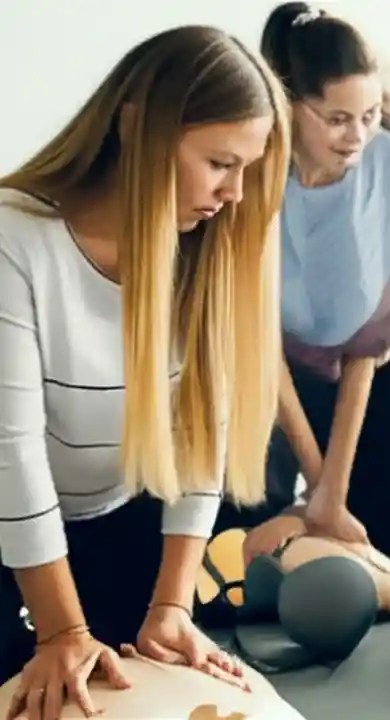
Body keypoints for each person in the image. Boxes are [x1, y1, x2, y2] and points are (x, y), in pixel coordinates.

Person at [0, 25, 290, 719]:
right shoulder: (15, 241)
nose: (237, 193)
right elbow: (12, 452)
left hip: (114, 519)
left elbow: (201, 440)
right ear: (138, 128)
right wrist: (63, 630)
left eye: (248, 167)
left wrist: (169, 606)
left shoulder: (205, 248)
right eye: (221, 162)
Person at [224, 3, 390, 614]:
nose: (357, 135)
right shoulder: (247, 175)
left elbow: (369, 343)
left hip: (369, 372)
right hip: (269, 368)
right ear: (290, 107)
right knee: (223, 561)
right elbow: (253, 337)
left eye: (370, 116)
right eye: (337, 118)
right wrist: (316, 491)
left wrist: (331, 492)